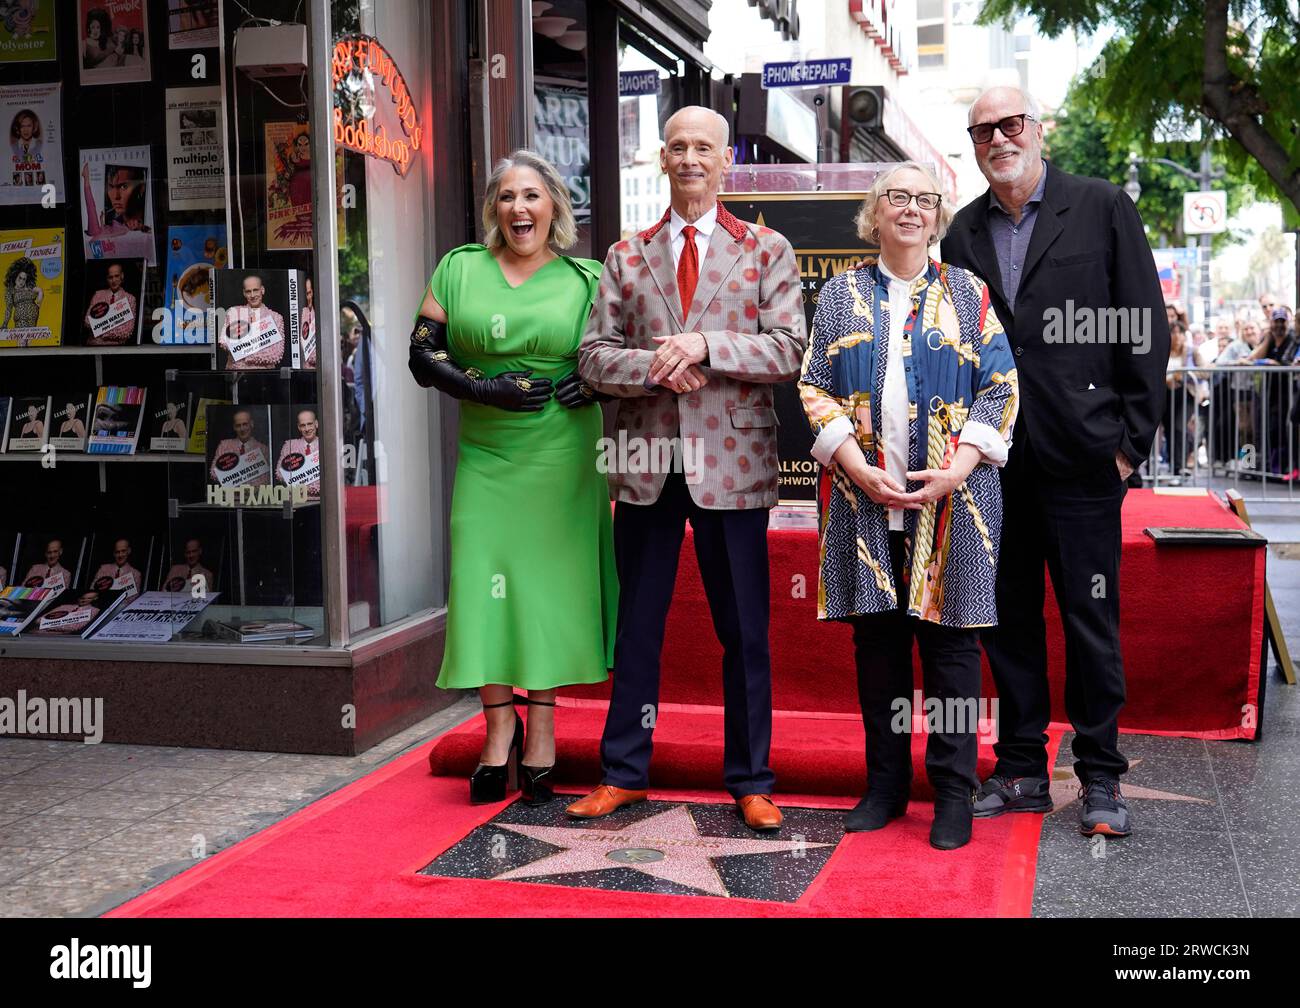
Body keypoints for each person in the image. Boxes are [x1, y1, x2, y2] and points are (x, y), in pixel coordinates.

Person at [565, 106, 807, 833]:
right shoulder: (624, 255)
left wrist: (705, 344)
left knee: (746, 632)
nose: (691, 158)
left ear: (725, 161)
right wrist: (655, 367)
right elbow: (591, 359)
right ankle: (624, 773)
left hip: (732, 467)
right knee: (637, 628)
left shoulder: (767, 248)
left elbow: (790, 349)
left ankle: (752, 778)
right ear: (661, 160)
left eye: (704, 147)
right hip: (645, 464)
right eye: (678, 147)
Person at [941, 86, 1169, 838]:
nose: (999, 139)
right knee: (1006, 622)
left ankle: (1101, 776)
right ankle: (1021, 771)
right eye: (983, 131)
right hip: (995, 463)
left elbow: (1141, 323)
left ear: (1038, 131)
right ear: (974, 145)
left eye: (1011, 125)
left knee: (1089, 619)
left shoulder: (1100, 205)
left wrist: (1131, 446)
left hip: (1084, 460)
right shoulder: (963, 231)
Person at [798, 163, 1017, 850]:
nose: (912, 209)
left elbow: (1001, 386)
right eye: (898, 197)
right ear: (875, 211)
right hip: (866, 504)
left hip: (954, 505)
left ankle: (954, 791)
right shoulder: (839, 294)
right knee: (880, 651)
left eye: (925, 200)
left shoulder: (969, 291)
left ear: (938, 215)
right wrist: (853, 463)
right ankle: (886, 785)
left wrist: (957, 469)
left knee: (952, 652)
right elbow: (814, 385)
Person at [408, 149, 617, 806]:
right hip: (488, 455)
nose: (519, 208)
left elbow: (621, 354)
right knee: (483, 580)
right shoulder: (460, 268)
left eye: (531, 195)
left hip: (561, 455)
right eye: (506, 197)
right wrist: (481, 386)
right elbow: (422, 354)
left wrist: (596, 382)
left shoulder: (588, 278)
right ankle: (499, 729)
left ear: (554, 204)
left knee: (543, 590)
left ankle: (543, 733)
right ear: (493, 208)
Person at [219, 274, 285, 369]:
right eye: (248, 291)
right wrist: (260, 349)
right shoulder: (233, 312)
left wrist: (244, 355)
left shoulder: (276, 317)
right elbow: (224, 342)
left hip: (265, 377)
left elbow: (276, 354)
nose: (252, 295)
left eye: (255, 290)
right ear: (244, 293)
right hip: (237, 376)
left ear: (262, 290)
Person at [209, 408, 271, 486]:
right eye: (238, 425)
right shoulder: (224, 445)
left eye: (245, 424)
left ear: (251, 424)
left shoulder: (263, 449)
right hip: (229, 496)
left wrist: (238, 480)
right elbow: (214, 473)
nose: (242, 429)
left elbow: (266, 479)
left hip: (253, 497)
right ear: (234, 427)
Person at [84, 262, 138, 346]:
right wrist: (114, 325)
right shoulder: (98, 295)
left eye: (116, 276)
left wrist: (101, 331)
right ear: (107, 279)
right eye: (110, 277)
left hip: (117, 348)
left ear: (122, 276)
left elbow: (127, 330)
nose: (114, 280)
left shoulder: (130, 299)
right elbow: (88, 322)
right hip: (94, 346)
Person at [276, 408, 321, 500]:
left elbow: (330, 476)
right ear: (299, 427)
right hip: (294, 501)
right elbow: (280, 473)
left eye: (310, 424)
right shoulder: (289, 445)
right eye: (303, 425)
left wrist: (304, 487)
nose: (307, 429)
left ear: (316, 424)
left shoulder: (325, 445)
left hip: (321, 501)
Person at [3, 257, 43, 335]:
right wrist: (5, 323)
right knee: (22, 340)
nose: (21, 281)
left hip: (33, 317)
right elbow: (8, 309)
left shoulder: (29, 288)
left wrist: (38, 306)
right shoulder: (10, 291)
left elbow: (40, 291)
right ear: (15, 276)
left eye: (24, 279)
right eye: (20, 278)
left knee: (28, 341)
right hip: (21, 319)